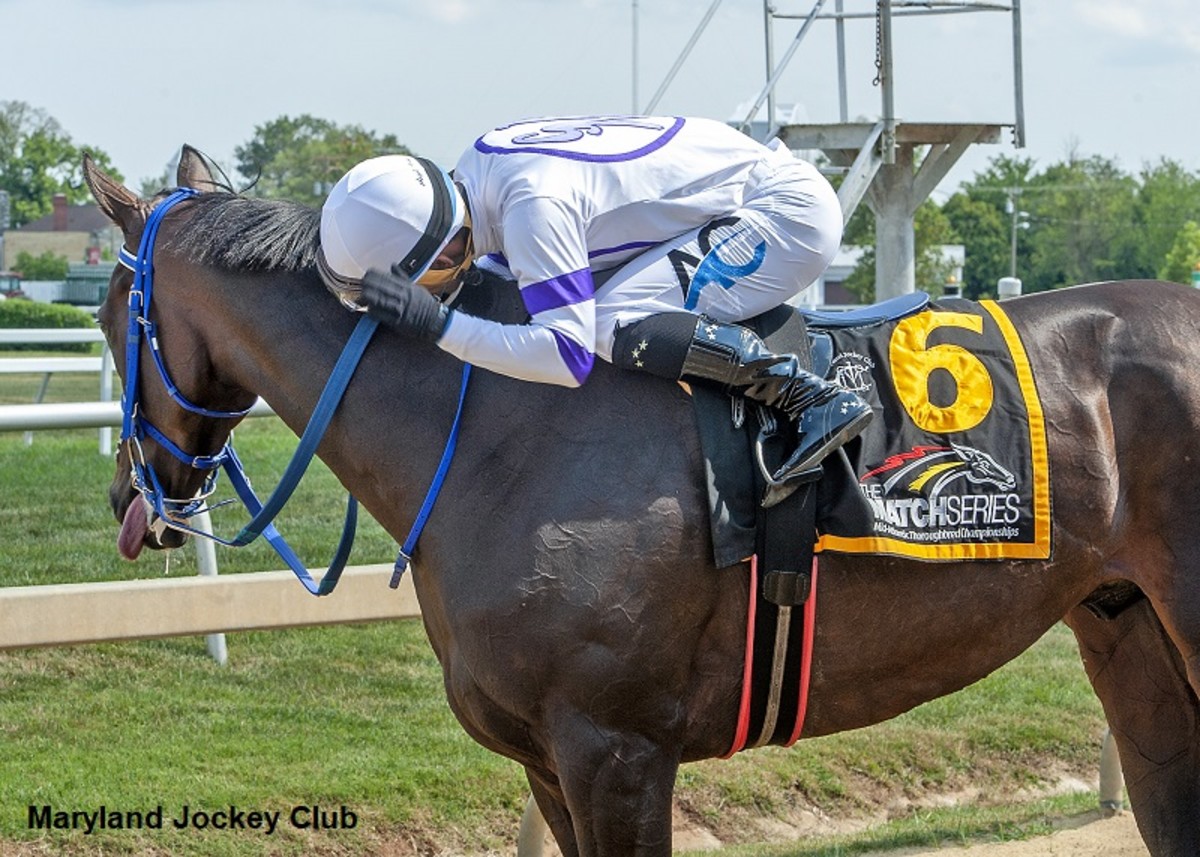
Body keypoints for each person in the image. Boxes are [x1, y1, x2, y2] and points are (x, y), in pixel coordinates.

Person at [317, 114, 871, 489]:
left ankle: (808, 397)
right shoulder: (481, 163)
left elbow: (566, 356)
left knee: (610, 323)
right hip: (751, 189)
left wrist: (439, 324)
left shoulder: (532, 204)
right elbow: (506, 261)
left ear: (440, 257)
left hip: (784, 217)